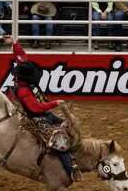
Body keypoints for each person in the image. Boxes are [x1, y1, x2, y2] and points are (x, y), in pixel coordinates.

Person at [7, 38, 78, 178]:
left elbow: (21, 56)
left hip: (45, 114)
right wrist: (55, 103)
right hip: (37, 118)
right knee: (60, 142)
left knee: (69, 128)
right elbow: (36, 108)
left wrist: (14, 43)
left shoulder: (23, 73)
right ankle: (71, 170)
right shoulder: (23, 91)